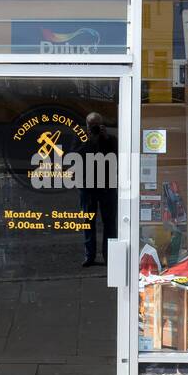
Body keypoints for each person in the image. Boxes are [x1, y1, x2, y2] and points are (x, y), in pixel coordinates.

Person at [80, 112, 118, 267]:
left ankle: (109, 256)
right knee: (88, 223)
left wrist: (106, 138)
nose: (95, 128)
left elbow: (117, 157)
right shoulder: (81, 138)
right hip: (87, 187)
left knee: (109, 223)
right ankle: (90, 256)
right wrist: (89, 141)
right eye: (92, 125)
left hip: (107, 187)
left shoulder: (111, 140)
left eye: (98, 125)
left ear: (103, 125)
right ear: (87, 126)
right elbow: (74, 157)